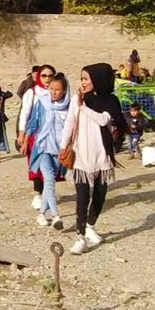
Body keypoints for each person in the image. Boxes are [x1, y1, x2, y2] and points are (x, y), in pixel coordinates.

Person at [62, 63, 126, 254]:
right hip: (81, 154)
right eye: (81, 79)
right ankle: (80, 237)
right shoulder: (77, 99)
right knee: (82, 196)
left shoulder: (111, 100)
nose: (83, 83)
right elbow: (69, 123)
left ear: (98, 80)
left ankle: (90, 225)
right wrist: (63, 146)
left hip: (102, 155)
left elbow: (103, 120)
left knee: (100, 194)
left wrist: (84, 107)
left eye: (86, 79)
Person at [27, 72, 72, 229]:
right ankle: (56, 215)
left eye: (57, 89)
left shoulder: (69, 107)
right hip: (42, 148)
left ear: (64, 91)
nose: (53, 92)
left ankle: (41, 215)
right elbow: (33, 123)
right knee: (49, 180)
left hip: (59, 150)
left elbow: (71, 129)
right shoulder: (42, 104)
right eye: (51, 88)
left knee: (49, 184)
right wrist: (26, 139)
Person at [18, 65, 61, 211]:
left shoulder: (57, 92)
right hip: (35, 135)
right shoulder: (32, 93)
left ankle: (49, 193)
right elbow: (25, 113)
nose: (47, 79)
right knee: (36, 165)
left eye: (50, 75)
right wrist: (22, 134)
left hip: (53, 135)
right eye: (44, 76)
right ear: (38, 76)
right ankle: (37, 194)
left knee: (52, 166)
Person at [14, 66, 39, 139]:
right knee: (22, 119)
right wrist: (26, 99)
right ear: (32, 73)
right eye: (35, 74)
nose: (35, 75)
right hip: (26, 105)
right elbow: (19, 92)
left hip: (36, 106)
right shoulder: (25, 82)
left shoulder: (39, 83)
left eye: (37, 74)